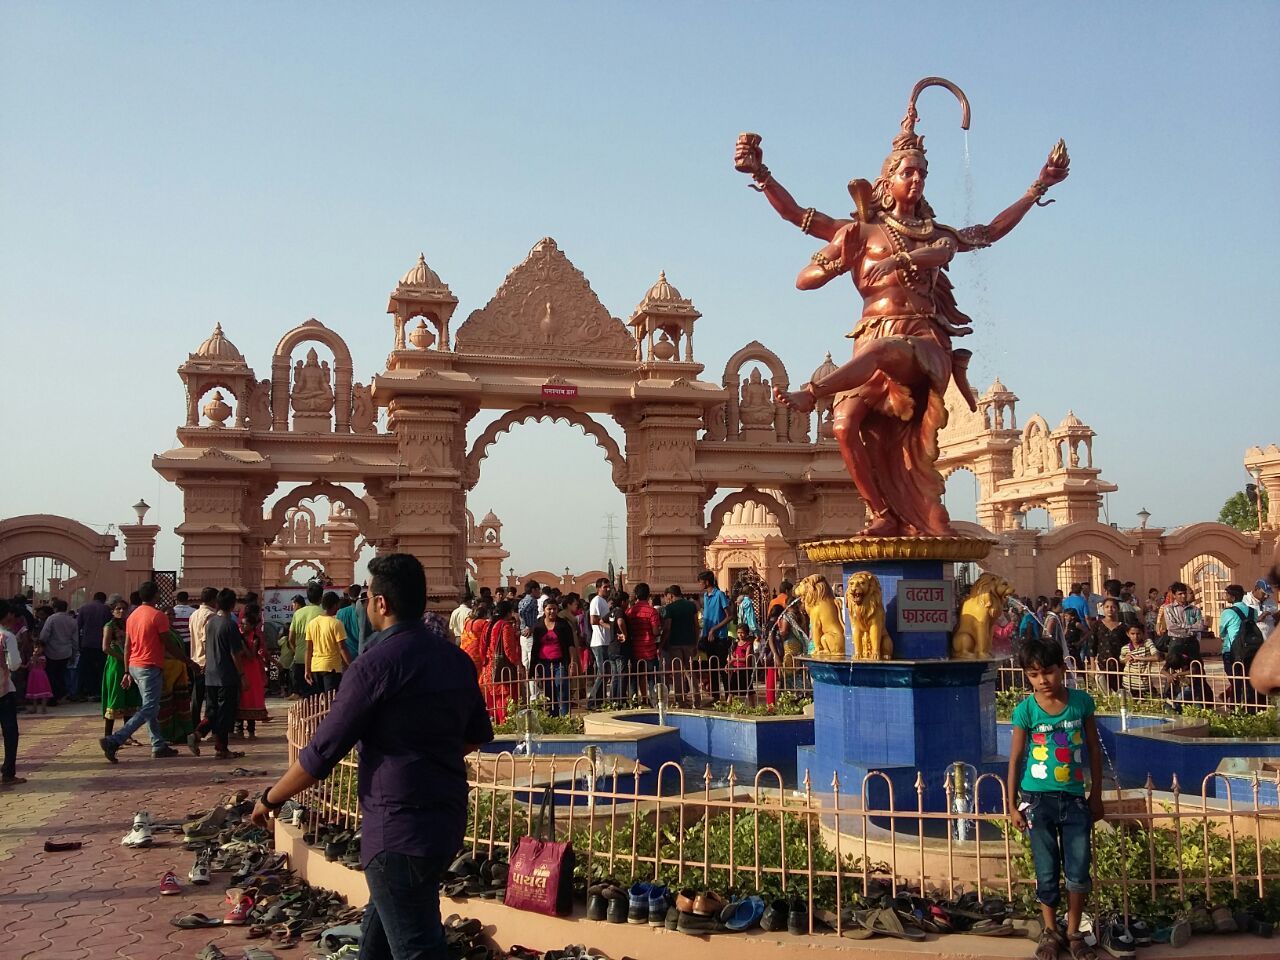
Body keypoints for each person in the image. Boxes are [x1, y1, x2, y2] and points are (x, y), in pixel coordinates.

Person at [736, 97, 1068, 537]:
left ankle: (811, 393)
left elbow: (988, 232)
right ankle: (883, 513)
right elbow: (798, 221)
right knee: (843, 424)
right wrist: (762, 174)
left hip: (921, 341)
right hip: (871, 343)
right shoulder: (860, 232)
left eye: (922, 174)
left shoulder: (937, 235)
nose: (916, 180)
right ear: (886, 181)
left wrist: (1037, 187)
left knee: (885, 350)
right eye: (907, 172)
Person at [250, 553, 494, 960]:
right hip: (445, 819)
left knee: (417, 948)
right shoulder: (455, 660)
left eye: (367, 598)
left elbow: (322, 752)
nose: (365, 606)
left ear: (381, 603)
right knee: (378, 939)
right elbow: (475, 737)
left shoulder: (373, 667)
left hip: (397, 828)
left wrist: (271, 798)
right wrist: (424, 753)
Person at [1006, 636, 1103, 960]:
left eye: (1047, 672)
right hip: (1037, 800)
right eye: (1033, 674)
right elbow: (1016, 758)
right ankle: (1050, 931)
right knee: (1046, 869)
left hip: (1074, 800)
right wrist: (1012, 805)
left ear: (1062, 668)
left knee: (1078, 868)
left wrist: (1096, 796)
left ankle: (1074, 932)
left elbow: (1093, 750)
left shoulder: (1081, 703)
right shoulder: (1026, 710)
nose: (1042, 680)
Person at [98, 580, 188, 762]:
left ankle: (158, 744)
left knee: (150, 707)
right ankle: (114, 740)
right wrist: (188, 661)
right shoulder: (157, 616)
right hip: (149, 666)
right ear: (156, 595)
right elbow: (169, 644)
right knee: (149, 708)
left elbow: (127, 645)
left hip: (135, 665)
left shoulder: (132, 616)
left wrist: (126, 671)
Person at [203, 588, 247, 759]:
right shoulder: (230, 625)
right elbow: (235, 654)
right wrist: (242, 676)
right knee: (225, 713)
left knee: (213, 711)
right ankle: (221, 748)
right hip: (226, 675)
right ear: (233, 604)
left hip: (211, 672)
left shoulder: (210, 622)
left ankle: (198, 733)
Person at [100, 596, 141, 738]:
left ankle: (126, 735)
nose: (122, 611)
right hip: (116, 664)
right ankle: (108, 735)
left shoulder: (128, 624)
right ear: (112, 611)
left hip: (129, 663)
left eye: (124, 608)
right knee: (115, 698)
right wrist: (121, 658)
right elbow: (105, 648)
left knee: (129, 699)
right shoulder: (109, 626)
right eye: (118, 609)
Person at [1219, 584, 1263, 708]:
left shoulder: (1227, 612)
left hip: (1232, 651)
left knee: (1236, 682)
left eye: (1226, 594)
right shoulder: (1252, 611)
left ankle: (1236, 708)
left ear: (1232, 597)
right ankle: (1252, 708)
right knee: (1249, 681)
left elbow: (1222, 632)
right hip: (1251, 650)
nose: (1225, 596)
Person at [482, 600, 521, 724]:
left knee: (493, 701)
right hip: (503, 670)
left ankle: (497, 726)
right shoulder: (505, 626)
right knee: (506, 701)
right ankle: (506, 726)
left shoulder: (488, 625)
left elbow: (482, 646)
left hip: (489, 668)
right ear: (509, 613)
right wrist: (518, 664)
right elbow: (509, 649)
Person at [530, 597, 571, 716]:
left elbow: (570, 645)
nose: (552, 611)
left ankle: (564, 716)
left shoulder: (563, 624)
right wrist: (533, 668)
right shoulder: (538, 626)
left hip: (560, 663)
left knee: (561, 687)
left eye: (554, 609)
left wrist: (573, 663)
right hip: (544, 663)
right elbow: (535, 647)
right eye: (549, 609)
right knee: (549, 690)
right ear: (544, 610)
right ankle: (553, 715)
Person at [236, 602, 270, 738]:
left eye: (245, 624)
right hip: (241, 669)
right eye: (241, 624)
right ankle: (238, 729)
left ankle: (251, 729)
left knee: (251, 699)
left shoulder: (254, 638)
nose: (242, 626)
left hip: (252, 670)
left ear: (252, 626)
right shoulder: (238, 636)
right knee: (240, 699)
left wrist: (243, 645)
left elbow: (251, 656)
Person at [306, 592, 350, 695]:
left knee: (319, 700)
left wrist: (307, 669)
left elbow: (308, 649)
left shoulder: (312, 623)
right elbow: (342, 648)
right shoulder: (336, 623)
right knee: (331, 700)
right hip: (331, 667)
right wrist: (350, 664)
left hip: (315, 666)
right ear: (335, 605)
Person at [625, 584, 662, 705]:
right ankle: (654, 702)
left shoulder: (630, 611)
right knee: (652, 678)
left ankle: (634, 702)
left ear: (636, 595)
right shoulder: (652, 611)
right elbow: (656, 631)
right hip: (649, 650)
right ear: (648, 595)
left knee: (635, 677)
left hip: (635, 650)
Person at [187, 587, 218, 732]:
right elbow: (207, 640)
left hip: (195, 659)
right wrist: (210, 659)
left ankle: (194, 724)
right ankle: (205, 727)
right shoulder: (211, 615)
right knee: (211, 698)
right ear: (213, 599)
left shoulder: (194, 614)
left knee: (196, 696)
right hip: (206, 661)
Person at [0, 600, 24, 786]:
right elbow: (14, 664)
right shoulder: (7, 637)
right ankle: (8, 772)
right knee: (9, 731)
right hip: (3, 689)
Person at [698, 571, 731, 701]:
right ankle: (715, 697)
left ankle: (729, 696)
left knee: (722, 668)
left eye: (701, 581)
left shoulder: (720, 595)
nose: (699, 584)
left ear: (706, 582)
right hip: (708, 638)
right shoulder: (705, 596)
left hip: (719, 638)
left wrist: (714, 629)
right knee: (712, 668)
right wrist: (704, 633)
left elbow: (729, 616)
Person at [288, 583, 325, 698]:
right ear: (321, 597)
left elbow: (290, 638)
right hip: (317, 659)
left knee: (305, 697)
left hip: (299, 658)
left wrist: (297, 650)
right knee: (319, 697)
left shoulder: (298, 613)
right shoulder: (322, 613)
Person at [38, 599, 77, 706]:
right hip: (66, 652)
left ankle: (53, 697)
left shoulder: (51, 619)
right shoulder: (72, 620)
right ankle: (60, 693)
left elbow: (44, 635)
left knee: (51, 675)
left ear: (55, 608)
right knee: (60, 675)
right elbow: (75, 640)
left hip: (52, 651)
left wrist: (40, 647)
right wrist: (74, 653)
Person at [76, 591, 111, 701]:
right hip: (102, 643)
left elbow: (78, 626)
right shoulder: (106, 609)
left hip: (87, 643)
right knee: (101, 669)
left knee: (86, 669)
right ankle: (99, 692)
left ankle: (85, 691)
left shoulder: (84, 608)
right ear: (104, 600)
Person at [1088, 598, 1128, 692]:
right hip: (1102, 664)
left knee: (1119, 692)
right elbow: (1091, 646)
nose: (1110, 609)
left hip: (1119, 664)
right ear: (1103, 609)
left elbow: (1127, 646)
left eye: (1113, 607)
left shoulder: (1123, 627)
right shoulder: (1097, 625)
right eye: (1107, 607)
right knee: (1104, 693)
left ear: (1117, 609)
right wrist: (1093, 667)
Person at [586, 578, 615, 708]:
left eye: (609, 587)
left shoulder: (604, 602)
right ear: (598, 588)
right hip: (599, 641)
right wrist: (608, 625)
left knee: (605, 672)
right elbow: (593, 620)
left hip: (605, 641)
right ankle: (592, 700)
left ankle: (599, 700)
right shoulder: (596, 601)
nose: (608, 589)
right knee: (603, 672)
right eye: (605, 587)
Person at [1119, 623, 1160, 700]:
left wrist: (1138, 658)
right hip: (1128, 684)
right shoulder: (1125, 648)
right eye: (1132, 634)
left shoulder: (1148, 643)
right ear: (1128, 634)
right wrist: (1126, 659)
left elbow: (1157, 657)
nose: (1135, 637)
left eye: (1138, 634)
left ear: (1142, 633)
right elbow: (1121, 660)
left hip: (1144, 685)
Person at [24, 641, 53, 714]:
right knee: (34, 692)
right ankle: (34, 708)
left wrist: (34, 657)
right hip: (33, 676)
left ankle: (44, 708)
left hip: (40, 676)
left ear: (43, 649)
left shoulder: (43, 657)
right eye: (35, 647)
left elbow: (39, 663)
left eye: (39, 647)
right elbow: (28, 666)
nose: (37, 649)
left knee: (43, 691)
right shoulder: (31, 657)